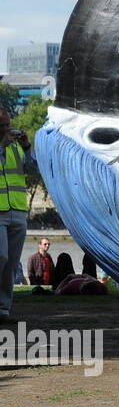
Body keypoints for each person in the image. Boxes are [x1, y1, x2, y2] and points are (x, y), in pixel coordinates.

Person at [0, 108, 38, 325]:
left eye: (7, 125)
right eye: (1, 126)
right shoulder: (4, 146)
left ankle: (3, 310)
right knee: (1, 257)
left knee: (12, 263)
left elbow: (34, 170)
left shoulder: (16, 147)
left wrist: (26, 146)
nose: (5, 129)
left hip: (18, 211)